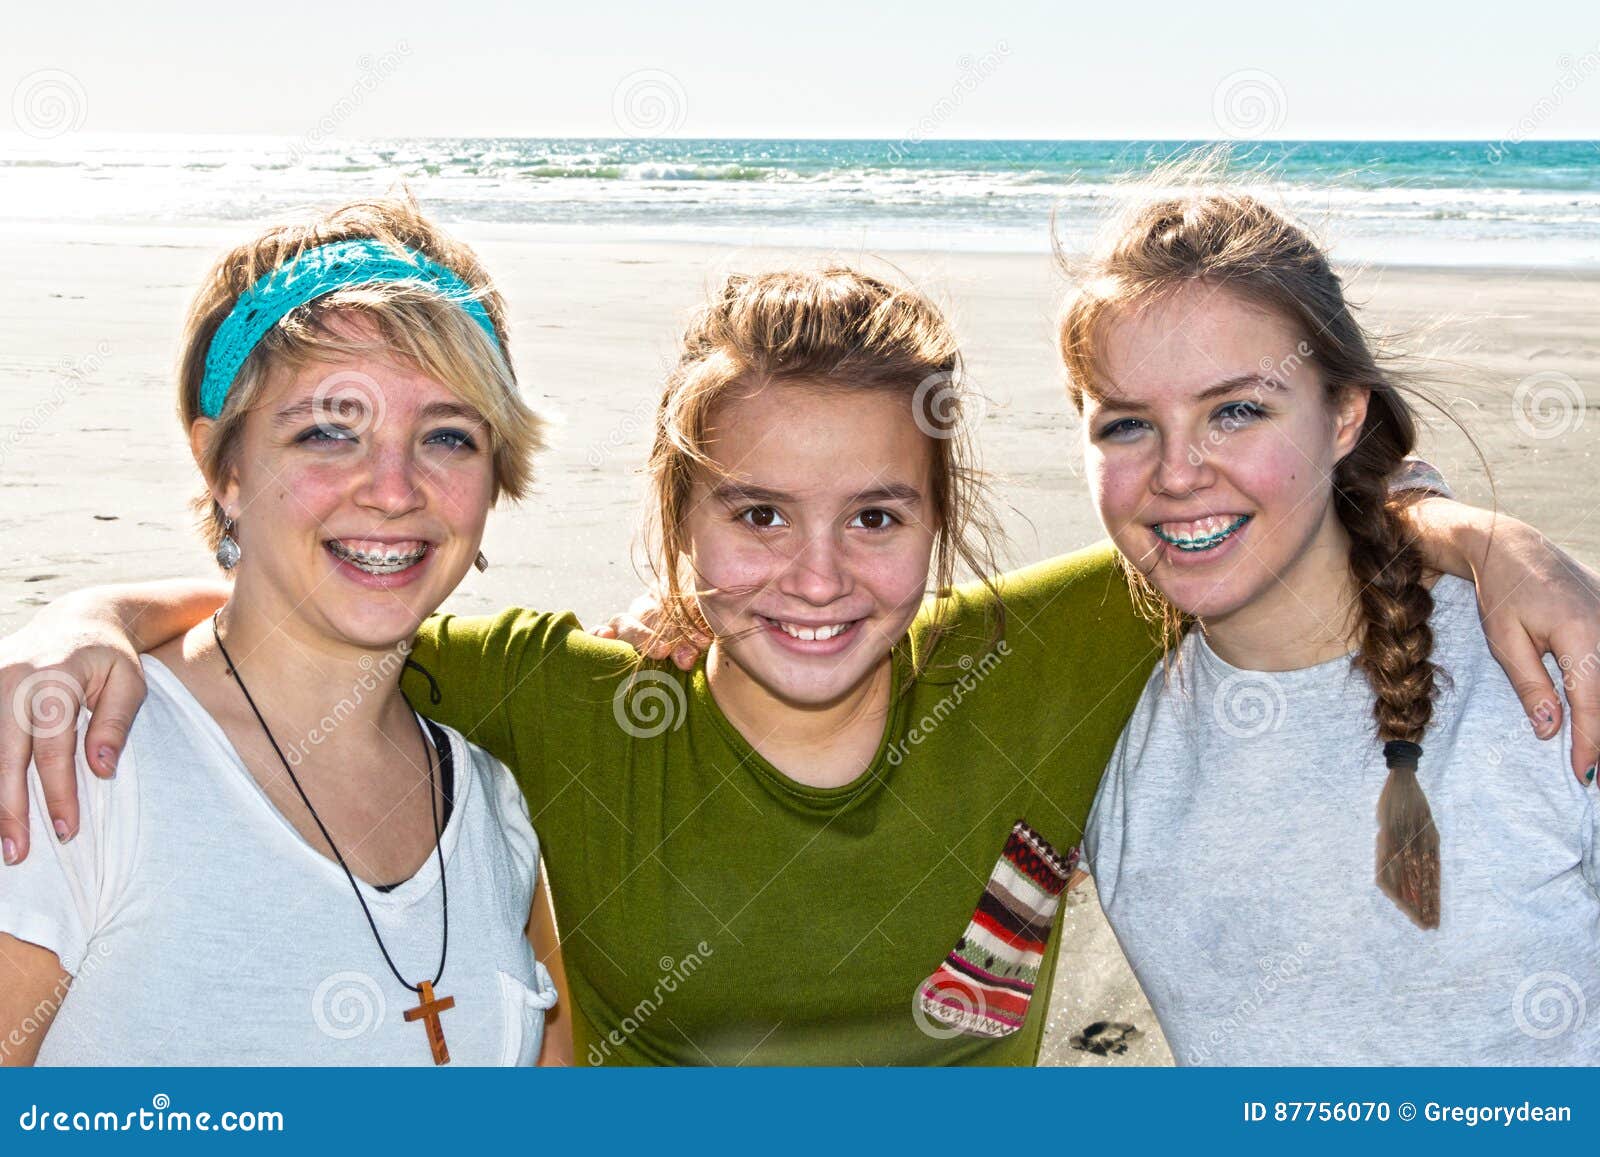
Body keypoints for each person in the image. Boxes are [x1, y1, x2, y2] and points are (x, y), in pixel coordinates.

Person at [4, 265, 1597, 1065]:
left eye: (878, 516)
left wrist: (1467, 531)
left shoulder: (1050, 651)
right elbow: (333, 595)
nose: (820, 578)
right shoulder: (558, 693)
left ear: (943, 520)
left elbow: (1240, 522)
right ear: (679, 528)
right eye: (758, 515)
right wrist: (85, 622)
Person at [0, 197, 568, 1066]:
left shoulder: (496, 811)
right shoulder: (79, 760)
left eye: (448, 436)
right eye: (328, 432)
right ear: (223, 467)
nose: (392, 489)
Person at [1068, 187, 1599, 1063]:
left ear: (1344, 414)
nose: (1177, 472)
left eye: (1236, 410)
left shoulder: (1540, 664)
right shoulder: (1088, 704)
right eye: (1127, 424)